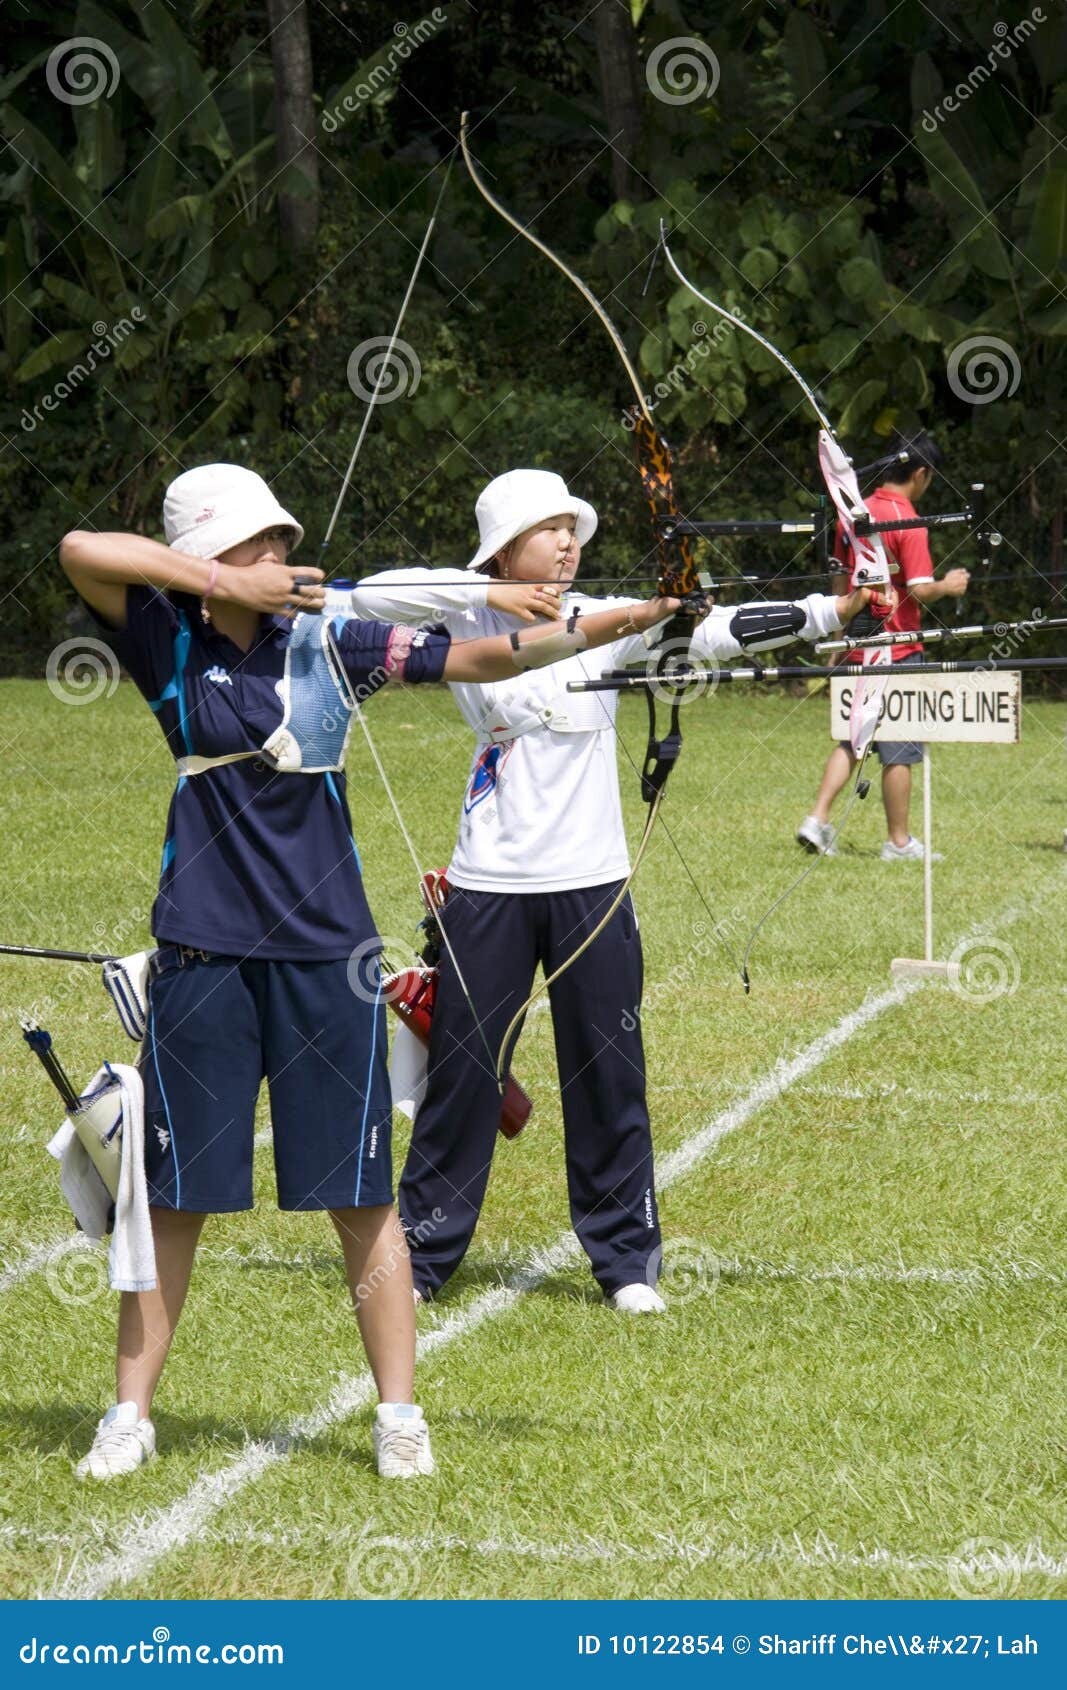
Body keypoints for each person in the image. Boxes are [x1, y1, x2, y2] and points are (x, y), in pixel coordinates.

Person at [58, 462, 683, 1481]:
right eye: (254, 544)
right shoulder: (164, 640)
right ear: (209, 559)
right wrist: (219, 589)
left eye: (277, 541)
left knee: (359, 1195)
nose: (278, 555)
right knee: (172, 1198)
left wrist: (598, 625)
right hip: (202, 953)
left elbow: (478, 656)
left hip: (326, 958)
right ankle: (130, 1414)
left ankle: (399, 1411)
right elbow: (82, 550)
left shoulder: (330, 639)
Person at [346, 469, 884, 1314]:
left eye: (572, 528)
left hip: (592, 886)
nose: (567, 541)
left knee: (606, 1072)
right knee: (463, 1072)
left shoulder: (600, 617)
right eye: (548, 528)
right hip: (488, 881)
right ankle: (420, 1256)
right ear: (504, 545)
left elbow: (711, 636)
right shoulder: (455, 614)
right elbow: (363, 599)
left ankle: (625, 1262)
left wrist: (832, 611)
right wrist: (490, 588)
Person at [796, 433, 970, 862]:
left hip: (858, 639)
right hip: (899, 647)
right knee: (899, 745)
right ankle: (898, 842)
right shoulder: (907, 519)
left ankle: (816, 821)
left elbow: (840, 582)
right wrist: (948, 585)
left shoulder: (852, 513)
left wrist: (839, 639)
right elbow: (919, 588)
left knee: (853, 738)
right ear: (920, 474)